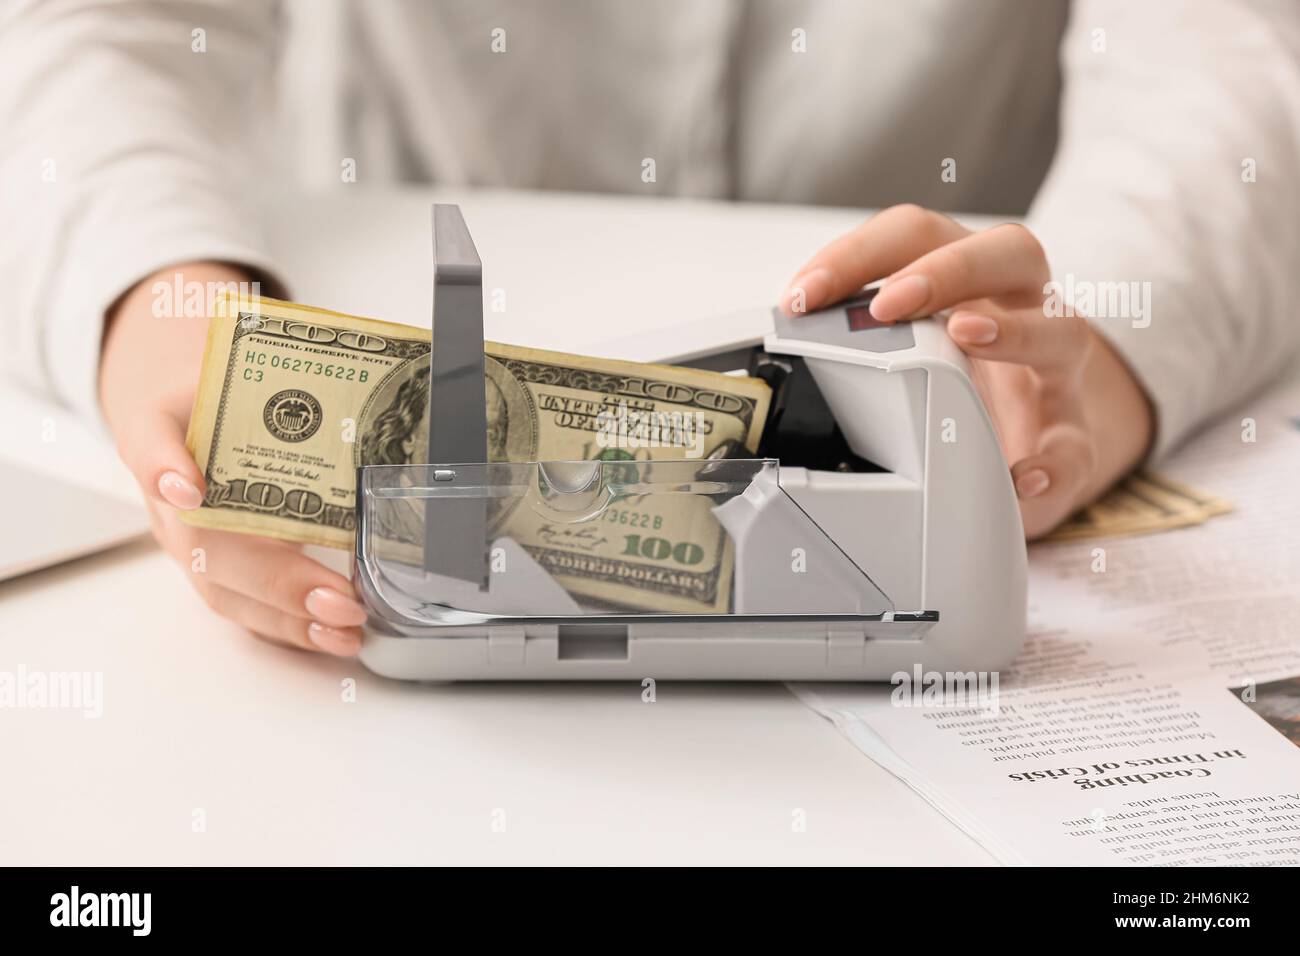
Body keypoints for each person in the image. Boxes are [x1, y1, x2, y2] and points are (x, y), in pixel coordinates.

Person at [3, 1, 1297, 657]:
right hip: (382, 289)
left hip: (955, 349)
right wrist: (152, 288)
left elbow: (1229, 55)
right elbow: (84, 29)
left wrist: (1113, 328)